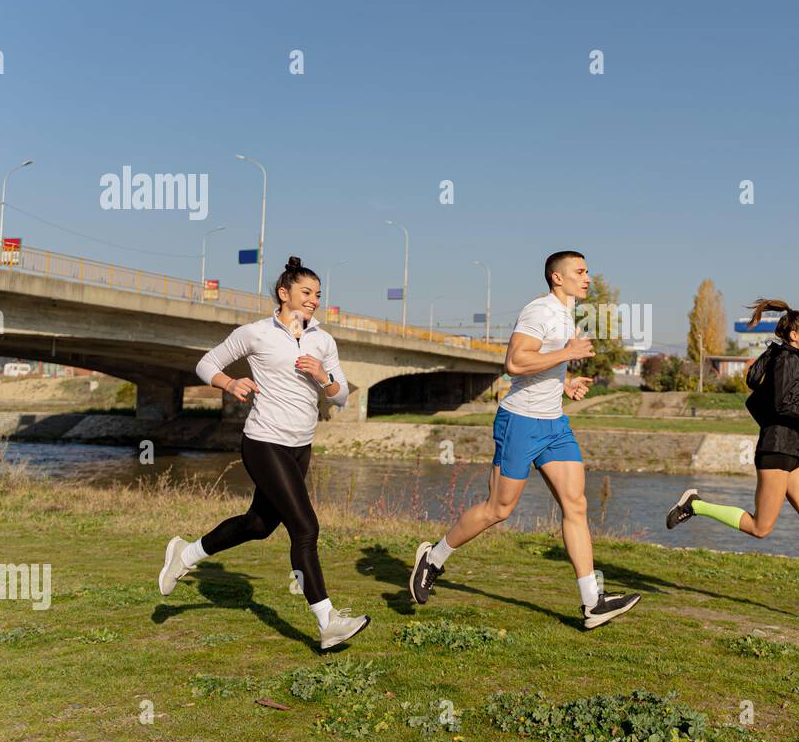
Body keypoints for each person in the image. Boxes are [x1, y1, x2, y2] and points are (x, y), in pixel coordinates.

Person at [408, 250, 641, 629]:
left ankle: (592, 602)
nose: (588, 278)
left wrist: (564, 383)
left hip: (553, 425)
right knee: (498, 510)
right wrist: (567, 352)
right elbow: (514, 363)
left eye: (588, 271)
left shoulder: (565, 314)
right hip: (520, 422)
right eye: (579, 272)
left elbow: (536, 365)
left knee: (576, 505)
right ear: (557, 278)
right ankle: (433, 558)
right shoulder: (540, 311)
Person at [157, 256, 371, 649]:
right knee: (305, 528)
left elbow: (341, 396)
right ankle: (328, 622)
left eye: (318, 295)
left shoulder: (323, 340)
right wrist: (229, 383)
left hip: (300, 447)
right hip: (264, 442)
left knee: (258, 526)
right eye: (306, 293)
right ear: (284, 293)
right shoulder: (256, 333)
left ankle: (185, 555)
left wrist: (323, 378)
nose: (313, 301)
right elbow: (207, 363)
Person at [664, 298, 799, 626]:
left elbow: (758, 401)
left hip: (792, 454)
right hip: (775, 454)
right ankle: (696, 505)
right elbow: (784, 405)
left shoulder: (791, 359)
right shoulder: (787, 361)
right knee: (761, 528)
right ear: (793, 335)